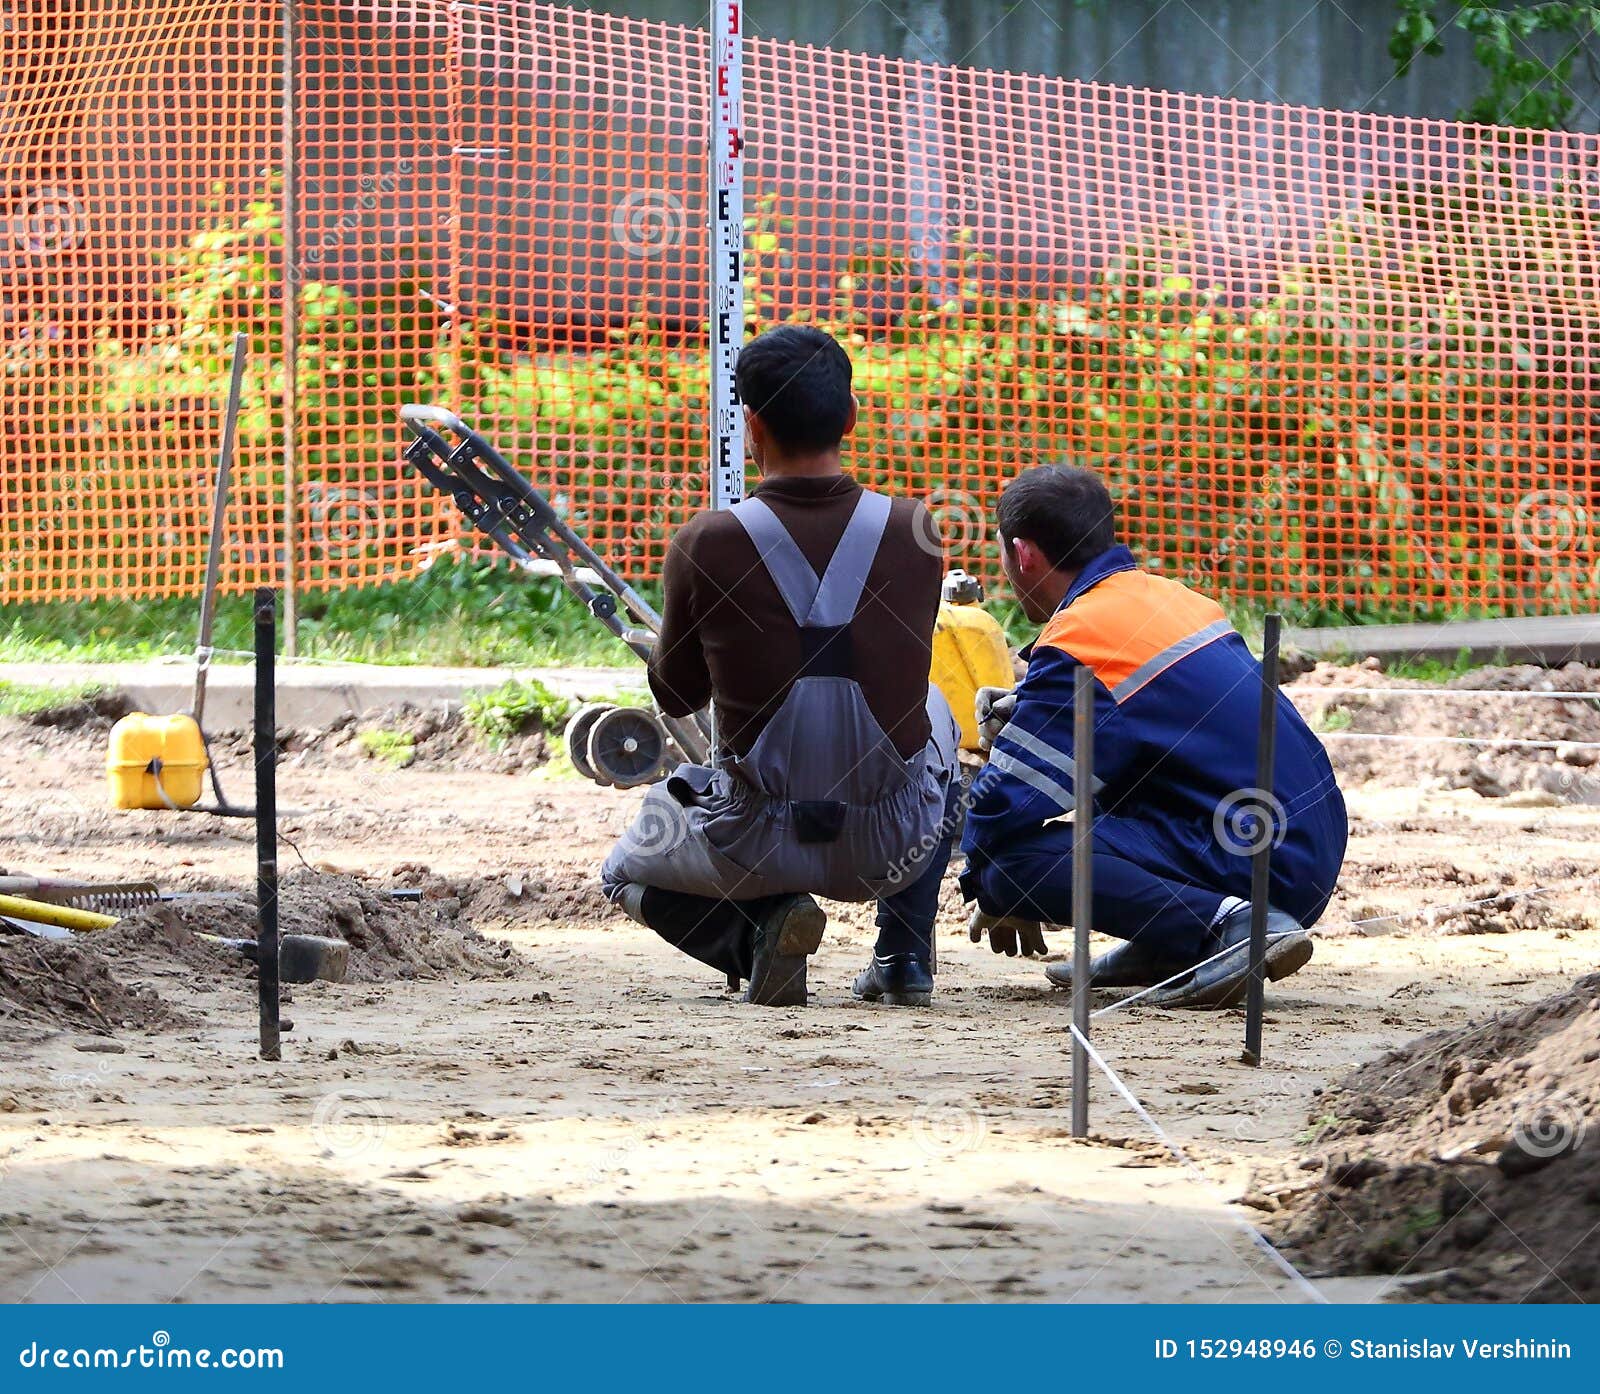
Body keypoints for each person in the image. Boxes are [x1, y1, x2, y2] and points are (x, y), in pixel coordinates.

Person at [601, 325, 960, 1007]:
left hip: (752, 841)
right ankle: (905, 952)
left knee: (620, 872)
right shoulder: (918, 532)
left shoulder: (705, 540)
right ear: (851, 417)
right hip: (890, 844)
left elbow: (675, 695)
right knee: (936, 706)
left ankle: (760, 933)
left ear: (751, 424)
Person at [961, 465, 1347, 1008]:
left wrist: (986, 881)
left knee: (1009, 866)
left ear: (1023, 554)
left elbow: (1004, 805)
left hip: (1262, 863)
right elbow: (1137, 732)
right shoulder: (1170, 597)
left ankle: (1229, 928)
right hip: (1304, 842)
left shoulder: (1081, 637)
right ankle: (1173, 943)